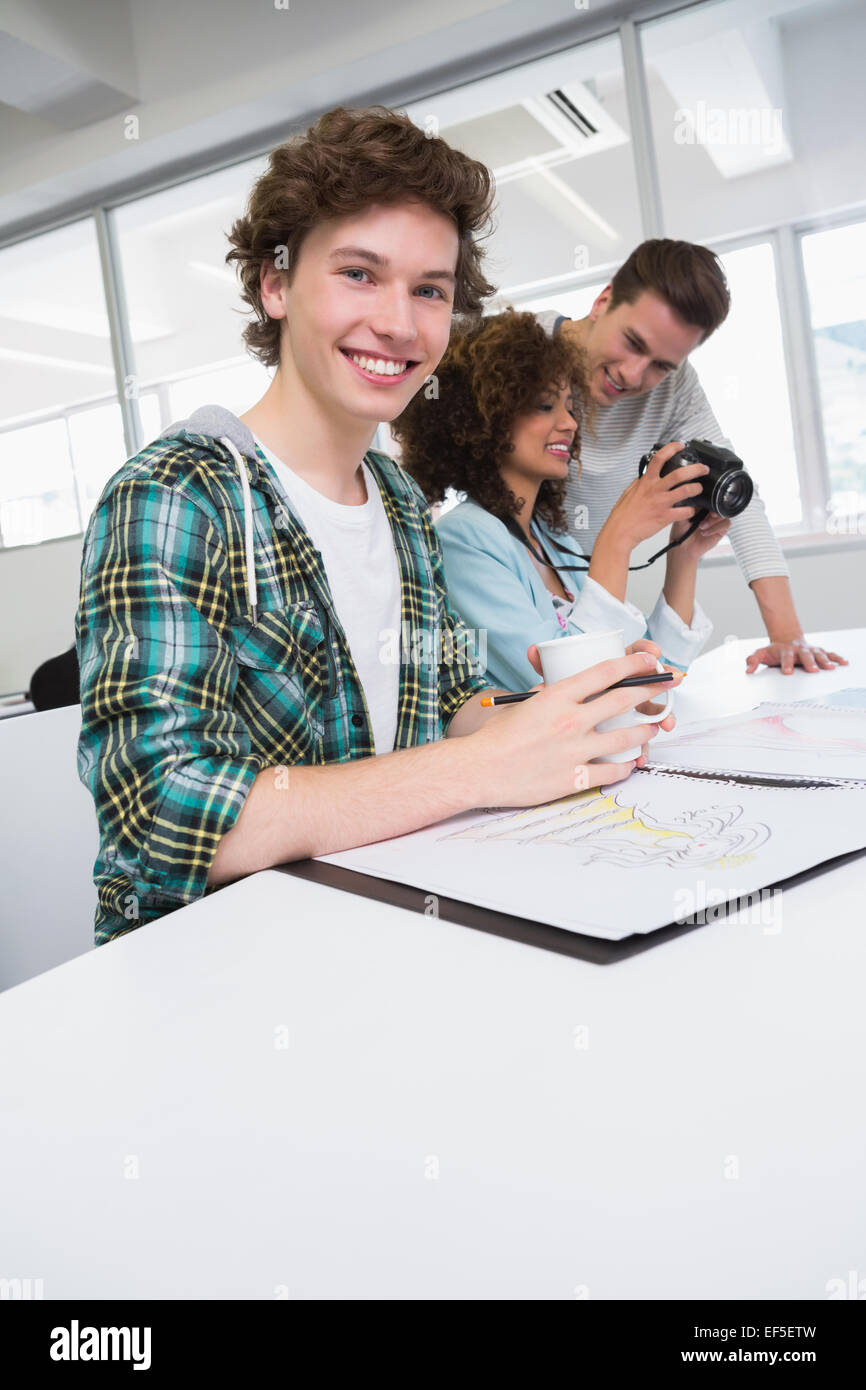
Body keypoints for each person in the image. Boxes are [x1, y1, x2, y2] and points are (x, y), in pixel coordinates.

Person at [75, 105, 678, 947]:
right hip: (213, 973)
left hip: (379, 931)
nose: (400, 324)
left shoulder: (398, 497)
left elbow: (447, 702)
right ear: (274, 283)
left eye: (429, 290)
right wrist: (480, 768)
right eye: (360, 273)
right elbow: (163, 810)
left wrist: (566, 718)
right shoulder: (178, 495)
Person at [535, 239, 847, 677]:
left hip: (586, 591)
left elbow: (738, 491)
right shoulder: (518, 351)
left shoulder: (675, 388)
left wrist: (786, 636)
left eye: (661, 364)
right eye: (632, 342)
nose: (632, 374)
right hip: (517, 576)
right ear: (603, 301)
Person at [393, 308, 729, 692]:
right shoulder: (460, 541)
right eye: (544, 405)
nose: (569, 423)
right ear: (482, 417)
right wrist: (617, 540)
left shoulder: (553, 540)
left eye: (570, 406)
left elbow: (654, 674)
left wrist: (684, 556)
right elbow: (572, 691)